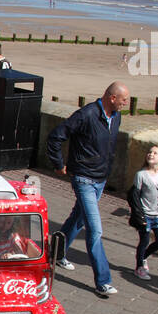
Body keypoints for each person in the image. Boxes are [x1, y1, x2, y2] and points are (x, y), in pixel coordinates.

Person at [46, 82, 130, 297]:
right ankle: (103, 280)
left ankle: (56, 252)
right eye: (123, 100)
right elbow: (56, 136)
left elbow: (108, 148)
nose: (125, 104)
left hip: (100, 178)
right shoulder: (86, 115)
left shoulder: (116, 117)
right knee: (95, 229)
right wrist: (58, 164)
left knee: (79, 217)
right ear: (112, 98)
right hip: (83, 178)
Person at [128, 145, 158, 280]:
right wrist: (139, 215)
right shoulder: (141, 175)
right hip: (145, 215)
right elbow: (134, 196)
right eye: (149, 152)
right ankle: (139, 268)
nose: (151, 154)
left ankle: (144, 258)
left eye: (155, 153)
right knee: (144, 240)